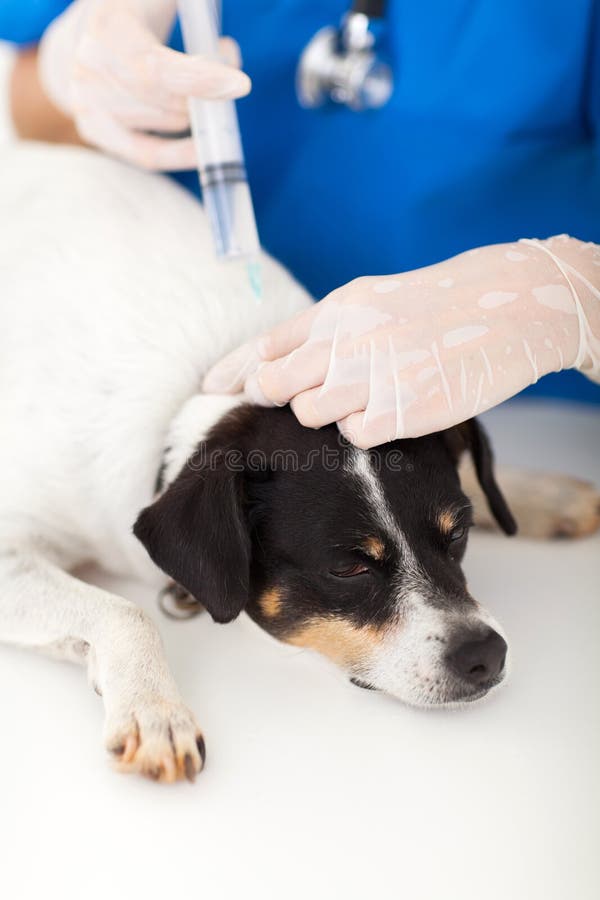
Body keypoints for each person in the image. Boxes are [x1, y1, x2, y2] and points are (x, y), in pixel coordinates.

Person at [2, 0, 599, 447]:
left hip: (528, 423)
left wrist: (565, 294)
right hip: (149, 389)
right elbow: (35, 111)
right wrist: (71, 69)